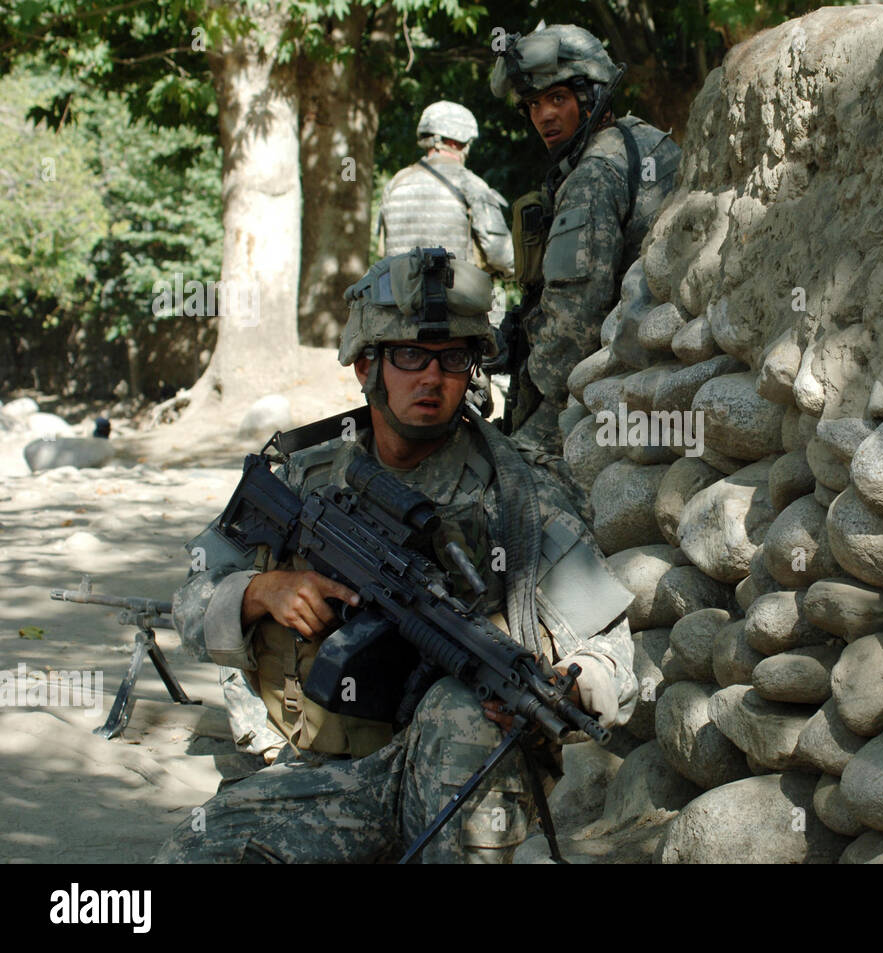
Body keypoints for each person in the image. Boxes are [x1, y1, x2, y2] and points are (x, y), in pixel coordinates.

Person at [158, 248, 635, 863]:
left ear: (474, 369)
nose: (431, 379)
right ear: (366, 365)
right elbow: (190, 600)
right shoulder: (306, 477)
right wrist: (259, 592)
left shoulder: (521, 494)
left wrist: (574, 684)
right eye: (409, 356)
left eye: (453, 359)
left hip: (459, 776)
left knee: (461, 710)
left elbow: (618, 654)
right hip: (321, 774)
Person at [489, 25, 681, 454]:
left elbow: (574, 326)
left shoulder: (593, 175)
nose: (544, 116)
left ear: (592, 95)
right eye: (534, 105)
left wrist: (532, 399)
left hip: (613, 375)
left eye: (558, 98)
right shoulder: (647, 139)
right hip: (656, 359)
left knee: (511, 473)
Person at [376, 101, 514, 279]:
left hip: (398, 301)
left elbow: (383, 252)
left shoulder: (395, 183)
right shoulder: (469, 183)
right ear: (457, 141)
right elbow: (501, 255)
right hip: (454, 301)